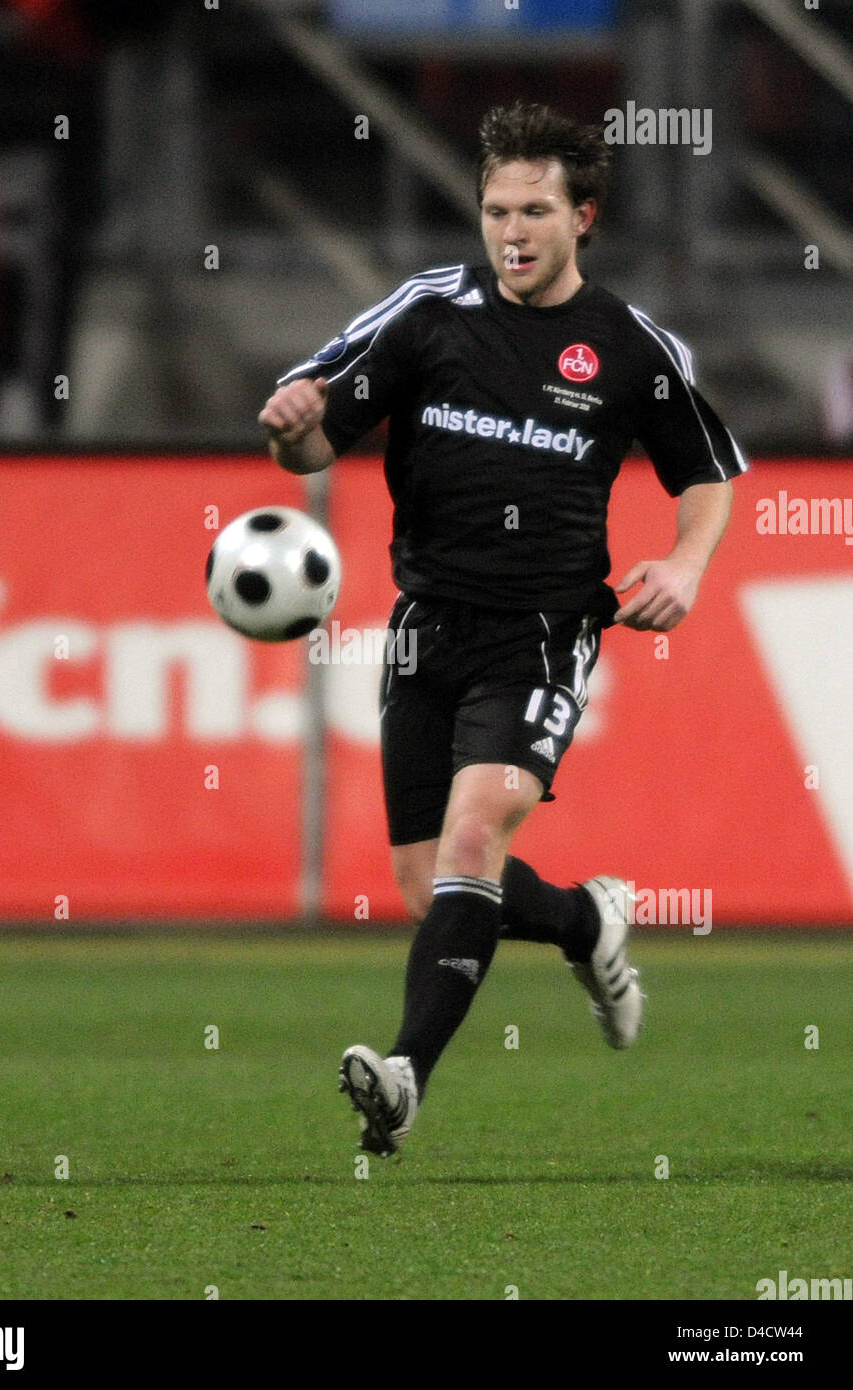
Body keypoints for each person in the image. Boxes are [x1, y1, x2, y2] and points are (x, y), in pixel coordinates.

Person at [257, 101, 747, 1158]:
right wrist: (294, 434)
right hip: (423, 625)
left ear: (584, 218)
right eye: (492, 210)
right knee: (424, 882)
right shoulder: (428, 314)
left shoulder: (626, 346)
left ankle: (402, 1080)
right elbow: (315, 440)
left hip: (541, 630)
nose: (509, 231)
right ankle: (584, 922)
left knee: (474, 838)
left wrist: (684, 562)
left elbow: (704, 475)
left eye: (533, 210)